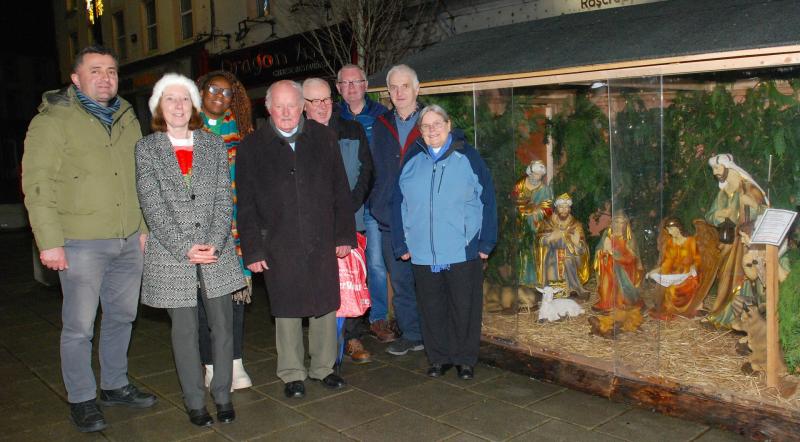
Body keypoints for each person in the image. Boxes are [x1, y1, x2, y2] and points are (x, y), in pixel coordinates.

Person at [21, 45, 157, 433]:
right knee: (80, 326)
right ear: (75, 78)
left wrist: (144, 227)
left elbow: (140, 177)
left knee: (122, 316)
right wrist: (49, 241)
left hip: (128, 239)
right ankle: (81, 398)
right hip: (79, 241)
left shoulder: (127, 116)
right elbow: (37, 183)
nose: (105, 78)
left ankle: (114, 385)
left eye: (111, 71)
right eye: (95, 70)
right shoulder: (53, 120)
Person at [135, 73, 244, 426]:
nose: (178, 105)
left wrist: (214, 242)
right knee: (184, 333)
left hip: (215, 252)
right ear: (158, 106)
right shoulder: (147, 149)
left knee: (223, 327)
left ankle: (223, 394)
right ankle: (195, 401)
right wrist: (185, 247)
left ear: (193, 105)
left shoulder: (213, 145)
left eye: (184, 99)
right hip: (172, 256)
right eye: (170, 99)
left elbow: (224, 199)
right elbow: (152, 205)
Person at [237, 80, 355, 399]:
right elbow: (245, 204)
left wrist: (344, 234)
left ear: (303, 107)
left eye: (293, 105)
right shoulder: (251, 147)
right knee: (286, 307)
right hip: (278, 240)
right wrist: (253, 249)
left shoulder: (324, 138)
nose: (287, 112)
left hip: (321, 236)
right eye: (280, 106)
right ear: (269, 108)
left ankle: (324, 368)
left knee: (324, 304)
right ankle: (291, 372)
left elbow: (341, 190)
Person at [392, 104, 497, 380]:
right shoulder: (412, 158)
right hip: (422, 251)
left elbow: (488, 198)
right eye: (426, 126)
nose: (432, 130)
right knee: (431, 308)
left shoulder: (468, 156)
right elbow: (397, 202)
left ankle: (465, 359)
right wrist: (401, 243)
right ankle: (438, 358)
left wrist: (486, 241)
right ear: (420, 131)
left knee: (464, 307)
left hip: (461, 248)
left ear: (448, 125)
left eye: (437, 123)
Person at [303, 77, 374, 363]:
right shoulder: (297, 138)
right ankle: (323, 344)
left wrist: (347, 208)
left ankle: (352, 338)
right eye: (315, 101)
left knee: (352, 281)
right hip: (313, 227)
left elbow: (367, 172)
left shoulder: (352, 130)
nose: (322, 106)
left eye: (326, 99)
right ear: (303, 105)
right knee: (320, 283)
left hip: (351, 220)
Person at [195, 70, 254, 390]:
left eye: (227, 92)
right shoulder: (187, 129)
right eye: (213, 90)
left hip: (236, 229)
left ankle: (235, 361)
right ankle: (210, 365)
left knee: (235, 297)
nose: (220, 96)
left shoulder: (243, 132)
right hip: (201, 230)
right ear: (201, 91)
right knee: (205, 302)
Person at [335, 64, 394, 342]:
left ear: (366, 85)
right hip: (346, 204)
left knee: (376, 264)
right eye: (345, 83)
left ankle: (378, 318)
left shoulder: (382, 115)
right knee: (347, 266)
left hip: (374, 202)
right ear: (338, 88)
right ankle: (349, 323)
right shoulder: (333, 116)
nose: (351, 88)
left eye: (355, 82)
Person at [370, 64, 425, 356]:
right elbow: (373, 167)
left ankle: (434, 335)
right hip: (391, 218)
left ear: (417, 89)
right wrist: (376, 201)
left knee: (428, 282)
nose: (399, 92)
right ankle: (412, 334)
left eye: (405, 86)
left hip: (425, 218)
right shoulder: (381, 124)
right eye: (393, 87)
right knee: (401, 282)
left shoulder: (432, 120)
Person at [702, 153, 768, 328]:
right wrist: (718, 214)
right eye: (713, 169)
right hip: (728, 243)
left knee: (744, 277)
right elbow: (709, 216)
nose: (715, 172)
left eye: (717, 168)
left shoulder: (749, 189)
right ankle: (723, 313)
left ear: (728, 167)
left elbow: (767, 212)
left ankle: (744, 319)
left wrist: (753, 205)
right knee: (725, 278)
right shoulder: (723, 194)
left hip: (747, 242)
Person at [648, 217, 703, 320]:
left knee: (680, 287)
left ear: (679, 227)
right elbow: (668, 261)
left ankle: (685, 309)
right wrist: (658, 270)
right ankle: (670, 308)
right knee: (666, 286)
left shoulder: (690, 241)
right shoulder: (670, 242)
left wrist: (693, 268)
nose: (670, 232)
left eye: (672, 229)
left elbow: (697, 259)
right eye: (668, 230)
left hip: (689, 273)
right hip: (675, 272)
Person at [537, 193, 590, 297]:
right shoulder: (547, 223)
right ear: (556, 208)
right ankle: (555, 293)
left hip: (569, 256)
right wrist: (550, 238)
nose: (564, 210)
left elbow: (582, 248)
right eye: (561, 207)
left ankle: (573, 289)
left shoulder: (576, 224)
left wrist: (577, 244)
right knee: (552, 269)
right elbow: (540, 241)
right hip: (552, 255)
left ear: (570, 208)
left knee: (568, 261)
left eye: (567, 207)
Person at [592, 212, 644, 312]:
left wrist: (615, 255)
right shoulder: (607, 234)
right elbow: (599, 251)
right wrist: (604, 251)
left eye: (622, 222)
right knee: (609, 264)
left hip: (626, 268)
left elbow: (633, 258)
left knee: (613, 265)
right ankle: (607, 301)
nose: (619, 225)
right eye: (616, 222)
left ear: (626, 224)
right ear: (612, 223)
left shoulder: (629, 237)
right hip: (609, 267)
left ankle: (621, 300)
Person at [512, 159, 553, 287]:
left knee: (532, 250)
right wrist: (520, 211)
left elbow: (548, 209)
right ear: (530, 172)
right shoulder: (520, 186)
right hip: (519, 224)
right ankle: (518, 278)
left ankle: (532, 279)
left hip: (535, 225)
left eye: (540, 175)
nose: (538, 177)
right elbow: (512, 201)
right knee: (519, 249)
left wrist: (536, 213)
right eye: (536, 174)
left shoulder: (545, 190)